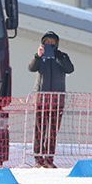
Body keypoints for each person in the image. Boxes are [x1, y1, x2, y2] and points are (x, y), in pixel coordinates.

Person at [28, 31, 74, 168]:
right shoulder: (40, 56)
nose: (49, 44)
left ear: (56, 43)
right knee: (39, 130)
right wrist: (38, 56)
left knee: (53, 131)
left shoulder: (62, 56)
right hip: (41, 99)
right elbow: (31, 68)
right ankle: (38, 159)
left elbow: (70, 69)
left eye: (52, 42)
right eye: (47, 41)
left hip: (57, 100)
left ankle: (49, 159)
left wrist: (60, 58)